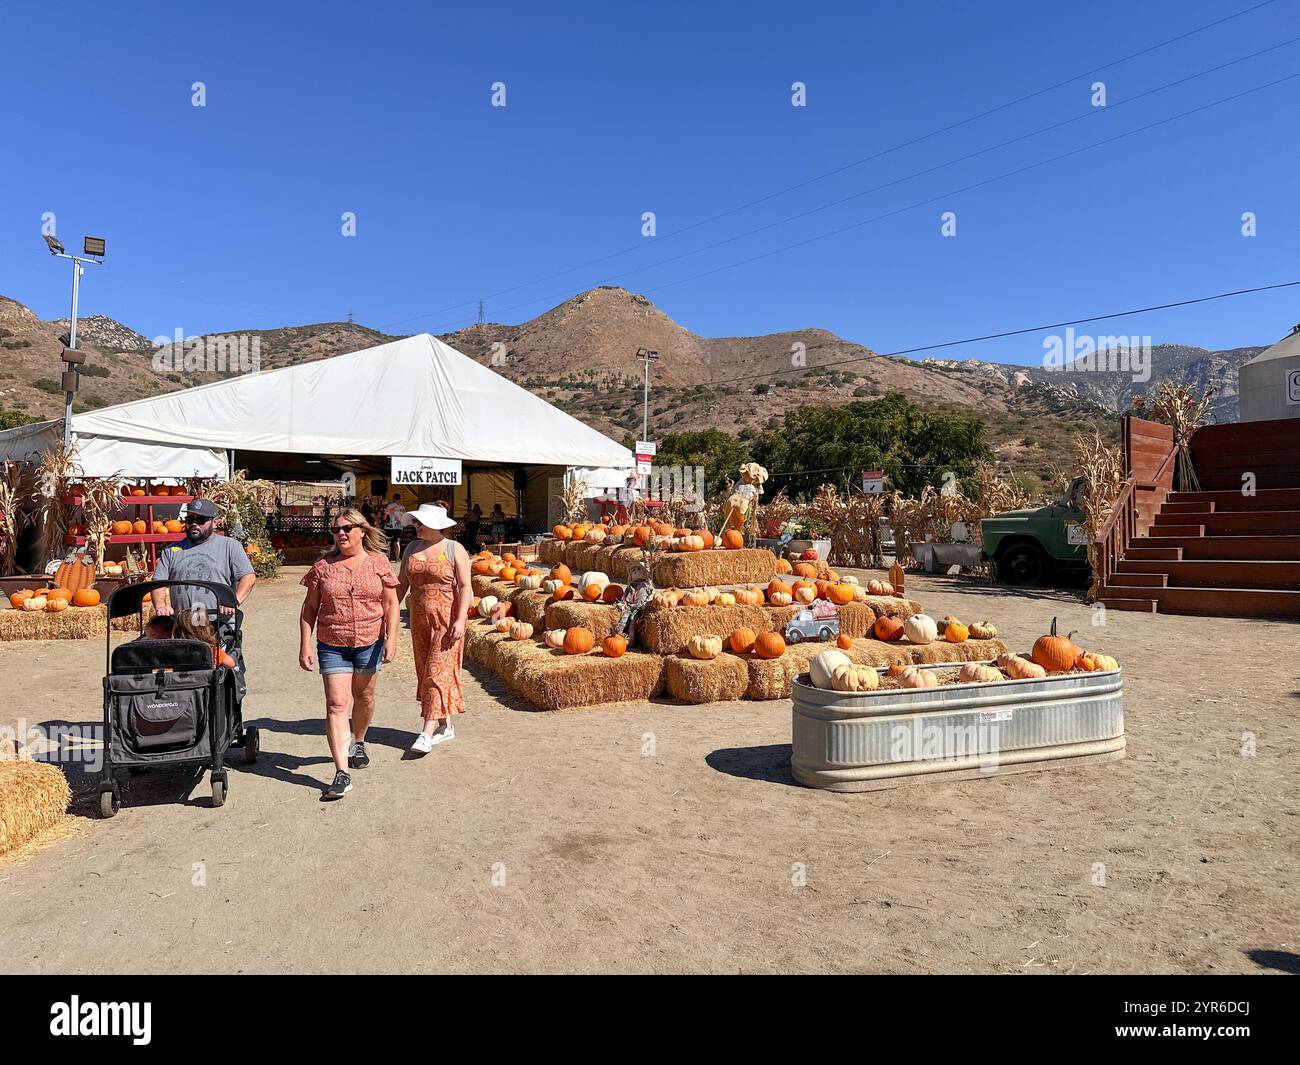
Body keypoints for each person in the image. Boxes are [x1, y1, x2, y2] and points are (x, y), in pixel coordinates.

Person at [298, 508, 399, 800]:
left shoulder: (379, 563)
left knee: (364, 697)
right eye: (336, 529)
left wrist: (391, 639)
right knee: (336, 705)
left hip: (370, 642)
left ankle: (359, 741)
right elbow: (309, 608)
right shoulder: (323, 566)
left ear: (362, 532)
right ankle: (342, 772)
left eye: (347, 528)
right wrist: (305, 643)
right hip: (332, 643)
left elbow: (391, 605)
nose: (341, 533)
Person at [395, 504, 470, 753]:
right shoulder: (411, 549)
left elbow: (465, 587)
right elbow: (401, 584)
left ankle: (426, 734)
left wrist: (460, 620)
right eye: (415, 522)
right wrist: (389, 612)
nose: (416, 526)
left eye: (420, 522)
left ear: (436, 525)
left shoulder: (454, 549)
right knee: (425, 670)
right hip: (418, 621)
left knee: (436, 673)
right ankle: (444, 727)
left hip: (446, 622)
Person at [152, 498, 256, 621]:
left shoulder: (230, 546)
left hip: (218, 624)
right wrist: (161, 606)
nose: (194, 524)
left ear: (215, 522)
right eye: (190, 519)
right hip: (182, 625)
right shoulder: (171, 550)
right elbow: (158, 582)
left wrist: (233, 601)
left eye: (200, 520)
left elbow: (248, 577)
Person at [383, 494, 406, 561]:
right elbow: (385, 516)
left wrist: (392, 511)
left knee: (393, 542)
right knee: (393, 542)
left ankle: (393, 558)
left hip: (396, 526)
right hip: (392, 526)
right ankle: (394, 558)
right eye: (396, 499)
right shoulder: (400, 507)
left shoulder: (401, 507)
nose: (396, 500)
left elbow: (403, 516)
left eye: (396, 499)